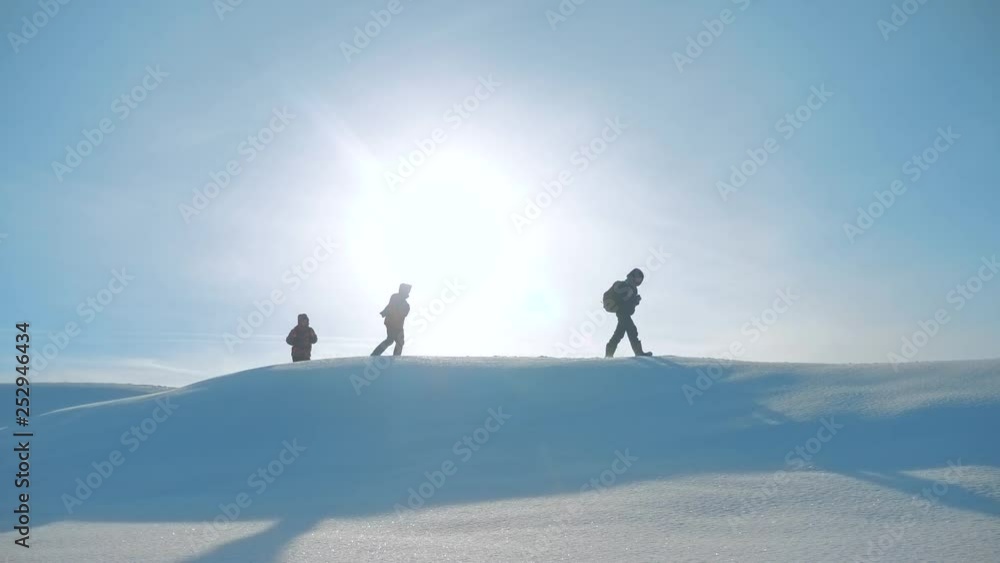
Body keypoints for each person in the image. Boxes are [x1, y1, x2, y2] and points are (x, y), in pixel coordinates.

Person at [603, 268, 653, 357]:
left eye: (640, 279)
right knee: (631, 329)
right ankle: (638, 352)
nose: (638, 281)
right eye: (637, 278)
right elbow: (622, 300)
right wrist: (632, 300)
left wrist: (634, 302)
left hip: (623, 311)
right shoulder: (623, 285)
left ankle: (609, 354)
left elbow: (630, 310)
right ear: (632, 276)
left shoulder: (633, 290)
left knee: (619, 333)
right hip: (620, 311)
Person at [372, 283, 411, 356]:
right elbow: (390, 306)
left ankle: (396, 357)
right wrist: (385, 311)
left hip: (399, 326)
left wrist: (388, 311)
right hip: (391, 323)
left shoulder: (406, 305)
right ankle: (375, 354)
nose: (408, 292)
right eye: (407, 290)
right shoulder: (395, 297)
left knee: (400, 342)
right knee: (390, 340)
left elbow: (404, 313)